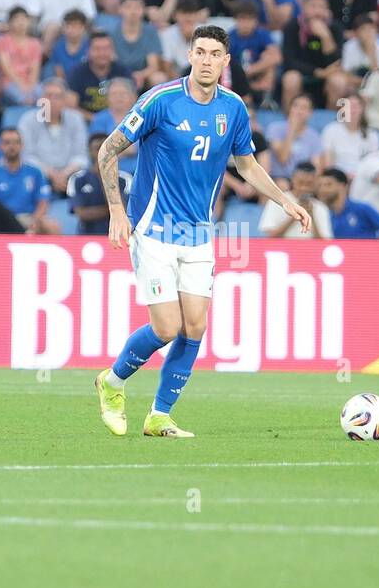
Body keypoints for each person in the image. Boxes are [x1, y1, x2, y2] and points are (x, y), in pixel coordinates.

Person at [92, 26, 307, 438]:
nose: (207, 60)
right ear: (190, 55)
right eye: (201, 52)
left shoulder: (234, 108)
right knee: (167, 327)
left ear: (227, 62)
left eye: (216, 54)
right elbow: (108, 150)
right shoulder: (160, 100)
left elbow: (245, 165)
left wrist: (284, 200)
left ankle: (159, 416)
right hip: (153, 228)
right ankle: (112, 382)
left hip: (198, 232)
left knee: (196, 326)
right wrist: (117, 211)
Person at [0, 126, 61, 234]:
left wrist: (35, 220)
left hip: (29, 217)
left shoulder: (35, 171)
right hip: (1, 218)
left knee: (52, 226)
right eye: (7, 143)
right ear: (0, 146)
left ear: (22, 145)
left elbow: (43, 202)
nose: (12, 146)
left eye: (16, 142)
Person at [69, 132, 131, 235]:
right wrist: (114, 210)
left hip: (118, 238)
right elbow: (82, 214)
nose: (103, 152)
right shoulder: (77, 179)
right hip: (87, 238)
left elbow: (124, 211)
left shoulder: (125, 179)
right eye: (98, 148)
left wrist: (107, 176)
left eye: (107, 148)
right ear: (89, 151)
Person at [257, 160, 334, 237]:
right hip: (282, 248)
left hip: (310, 248)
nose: (304, 188)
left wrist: (311, 216)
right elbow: (270, 237)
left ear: (315, 183)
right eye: (300, 183)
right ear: (293, 180)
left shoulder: (321, 207)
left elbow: (324, 244)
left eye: (309, 184)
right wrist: (295, 216)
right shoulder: (277, 201)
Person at [316, 165, 379, 237]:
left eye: (328, 185)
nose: (322, 190)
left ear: (343, 185)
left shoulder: (362, 209)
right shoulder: (322, 214)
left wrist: (378, 251)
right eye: (320, 186)